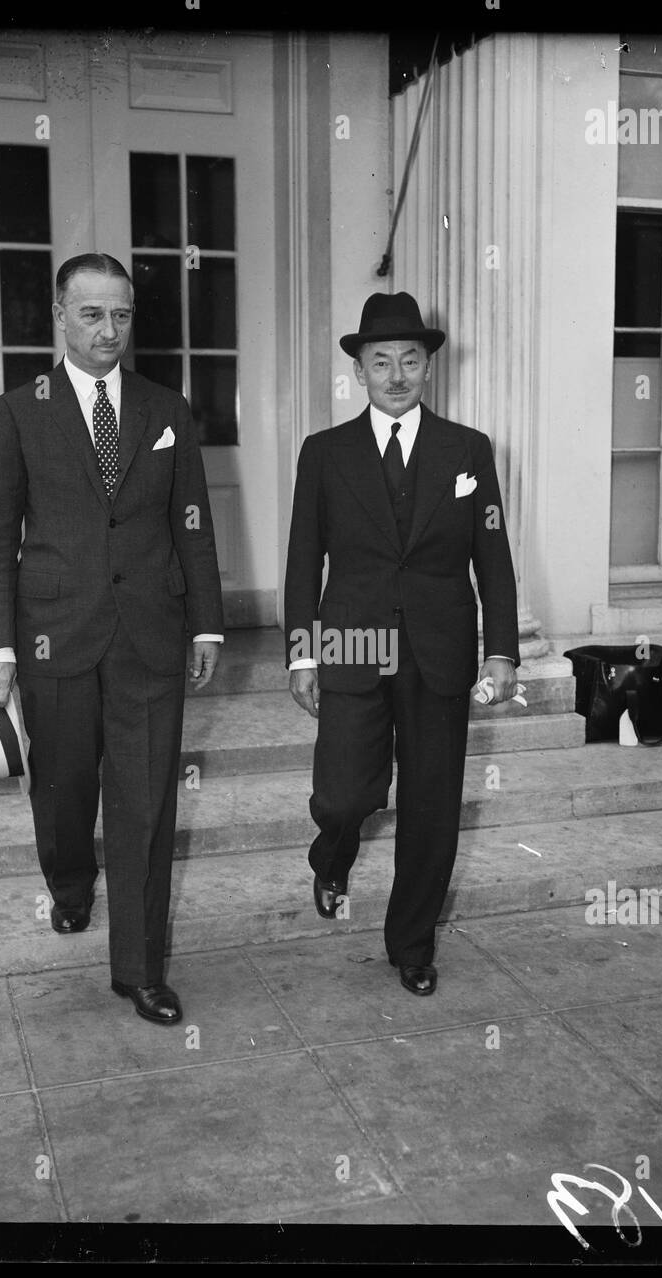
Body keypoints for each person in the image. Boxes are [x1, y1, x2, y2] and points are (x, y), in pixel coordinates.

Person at [0, 252, 224, 1025]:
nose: (108, 329)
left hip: (149, 633)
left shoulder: (166, 409)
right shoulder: (20, 410)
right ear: (59, 316)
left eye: (120, 314)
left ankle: (139, 969)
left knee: (145, 805)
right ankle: (71, 883)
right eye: (91, 313)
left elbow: (192, 524)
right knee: (63, 791)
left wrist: (207, 621)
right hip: (53, 634)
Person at [284, 292, 520, 996]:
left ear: (427, 368)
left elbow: (493, 557)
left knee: (430, 805)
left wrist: (500, 649)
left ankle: (411, 942)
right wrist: (302, 652)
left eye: (408, 360)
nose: (394, 374)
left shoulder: (467, 449)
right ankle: (332, 852)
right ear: (358, 370)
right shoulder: (324, 454)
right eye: (379, 361)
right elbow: (303, 559)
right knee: (345, 793)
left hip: (439, 646)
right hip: (351, 641)